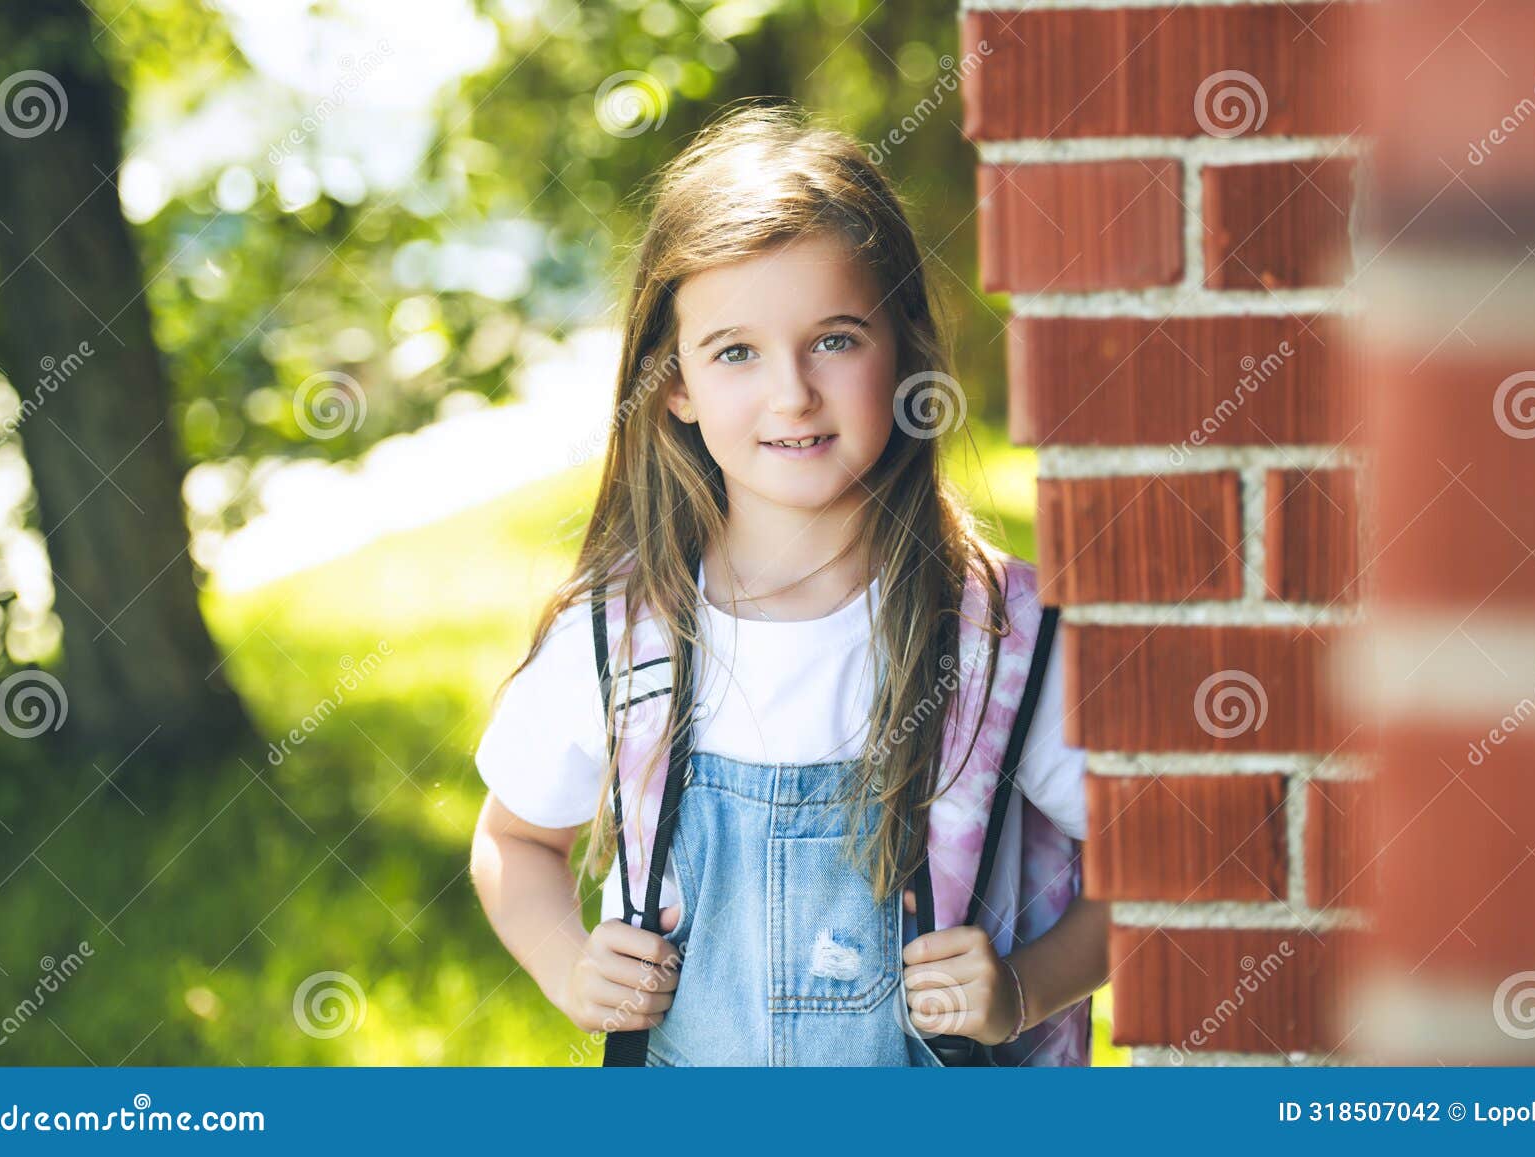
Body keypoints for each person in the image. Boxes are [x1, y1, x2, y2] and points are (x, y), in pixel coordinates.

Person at [469, 102, 1109, 1067]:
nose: (792, 393)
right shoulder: (623, 634)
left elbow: (1158, 869)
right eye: (736, 351)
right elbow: (513, 843)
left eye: (837, 339)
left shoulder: (1001, 642)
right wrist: (571, 967)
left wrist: (1023, 987)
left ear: (905, 348)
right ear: (673, 381)